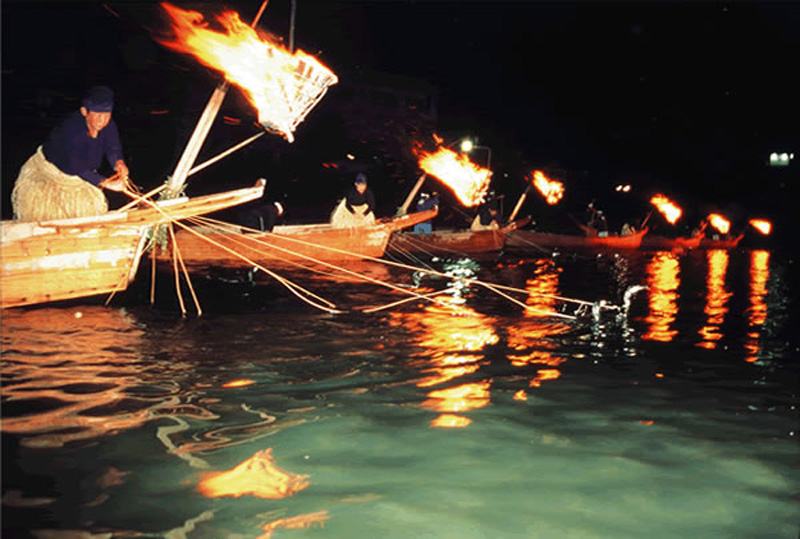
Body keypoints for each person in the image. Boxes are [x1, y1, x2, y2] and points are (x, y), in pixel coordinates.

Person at [11, 85, 129, 222]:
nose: (101, 121)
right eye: (97, 115)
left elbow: (112, 147)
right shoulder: (70, 130)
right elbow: (75, 165)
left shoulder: (109, 126)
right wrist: (106, 183)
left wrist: (118, 162)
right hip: (53, 176)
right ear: (85, 112)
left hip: (81, 176)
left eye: (106, 115)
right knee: (49, 220)